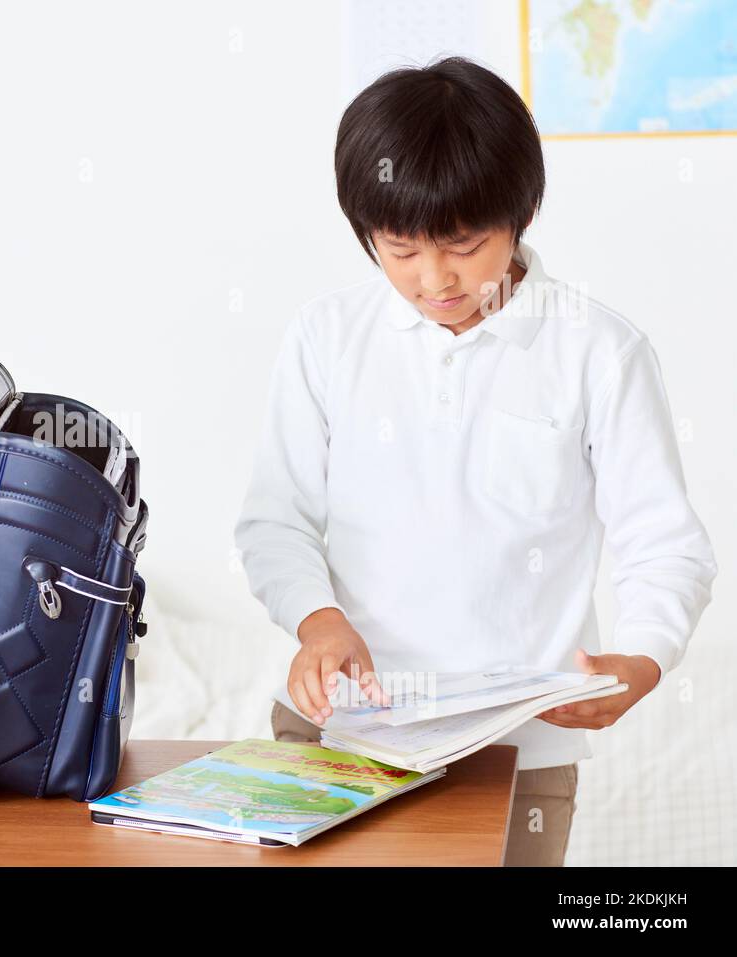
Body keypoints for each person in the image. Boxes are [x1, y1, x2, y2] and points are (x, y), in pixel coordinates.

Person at [233, 56, 718, 866]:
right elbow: (274, 519)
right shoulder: (326, 339)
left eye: (463, 244)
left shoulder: (598, 350)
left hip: (521, 752)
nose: (435, 279)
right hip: (341, 730)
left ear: (520, 211)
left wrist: (642, 659)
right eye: (400, 249)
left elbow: (664, 541)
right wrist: (319, 624)